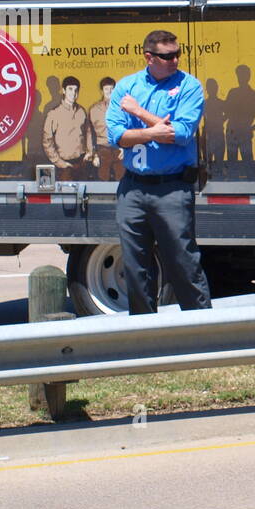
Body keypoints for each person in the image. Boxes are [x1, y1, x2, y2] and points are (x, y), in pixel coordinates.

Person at [106, 31, 213, 315]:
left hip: (172, 188)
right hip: (132, 188)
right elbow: (116, 135)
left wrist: (139, 114)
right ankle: (144, 333)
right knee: (135, 266)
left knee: (182, 261)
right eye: (167, 56)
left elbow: (180, 133)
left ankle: (203, 330)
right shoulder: (126, 87)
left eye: (178, 54)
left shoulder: (189, 86)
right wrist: (152, 132)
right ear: (149, 57)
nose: (175, 60)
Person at [43, 75, 96, 174]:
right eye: (70, 89)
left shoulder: (82, 111)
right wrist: (59, 162)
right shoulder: (54, 114)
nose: (73, 93)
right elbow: (47, 141)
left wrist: (89, 152)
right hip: (64, 166)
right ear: (64, 91)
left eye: (76, 90)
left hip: (82, 162)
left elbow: (88, 133)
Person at [88, 76, 124, 181]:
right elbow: (90, 134)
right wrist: (93, 154)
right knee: (102, 180)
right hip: (102, 150)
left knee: (121, 180)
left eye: (112, 88)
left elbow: (128, 129)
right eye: (106, 89)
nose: (109, 91)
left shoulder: (122, 108)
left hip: (119, 149)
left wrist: (126, 149)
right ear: (102, 91)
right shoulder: (94, 109)